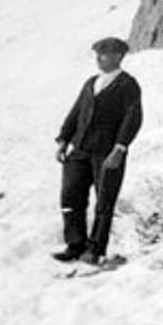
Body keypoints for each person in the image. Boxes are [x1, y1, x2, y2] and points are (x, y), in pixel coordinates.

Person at [53, 37, 143, 264]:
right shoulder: (91, 82)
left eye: (104, 53)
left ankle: (95, 250)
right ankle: (75, 244)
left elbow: (133, 117)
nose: (98, 58)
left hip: (107, 153)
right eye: (98, 53)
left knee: (104, 202)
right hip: (80, 150)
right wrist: (63, 139)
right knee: (70, 197)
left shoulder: (127, 85)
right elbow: (76, 112)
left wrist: (120, 148)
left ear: (118, 56)